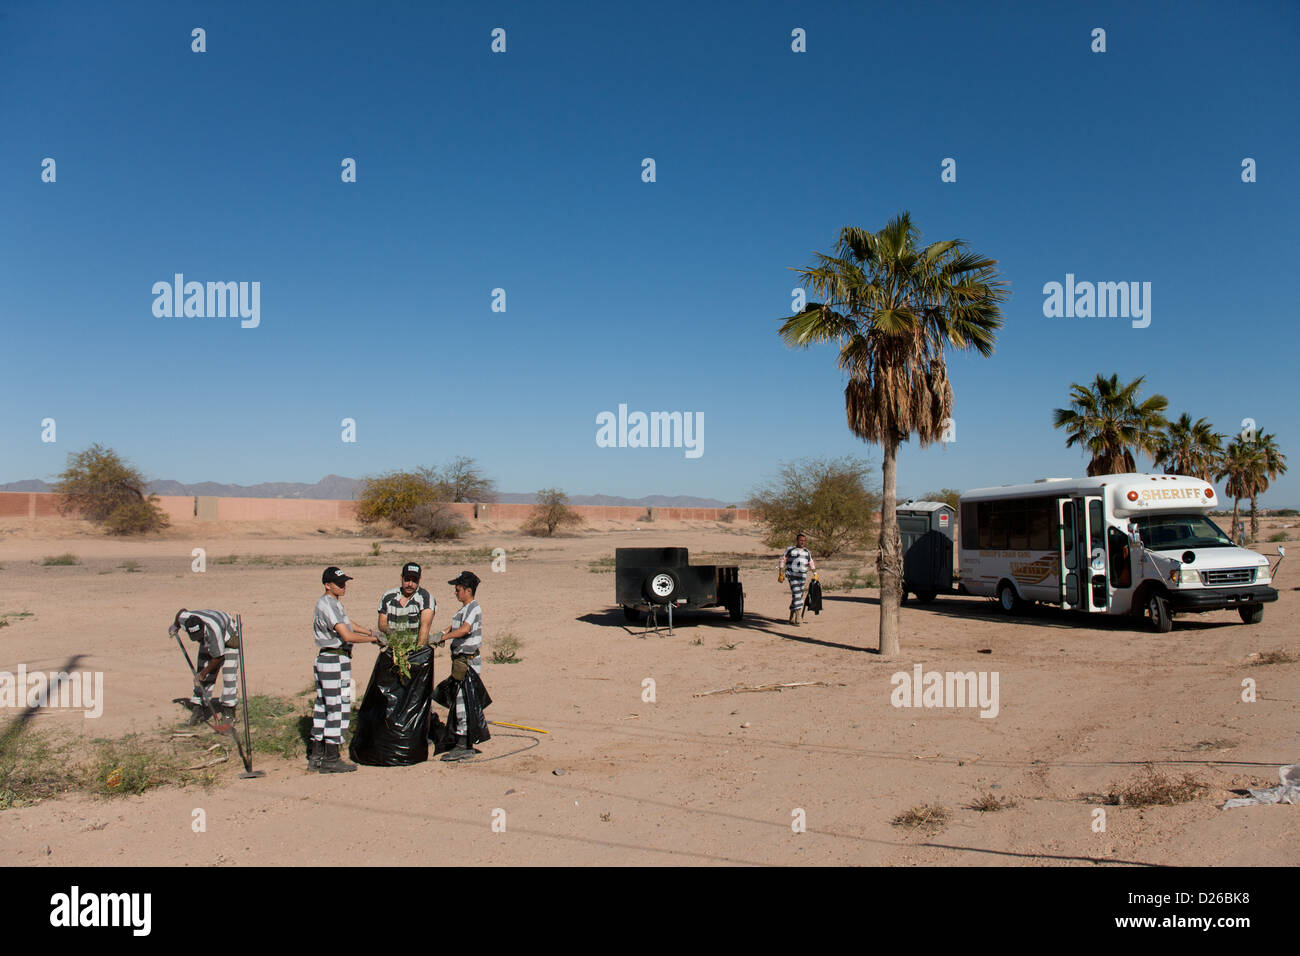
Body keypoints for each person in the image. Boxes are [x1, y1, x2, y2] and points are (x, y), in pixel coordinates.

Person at [311, 566, 383, 773]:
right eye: (338, 583)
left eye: (344, 582)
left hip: (329, 659)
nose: (343, 586)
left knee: (323, 707)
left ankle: (317, 755)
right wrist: (373, 639)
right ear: (327, 585)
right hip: (334, 660)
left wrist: (370, 631)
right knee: (338, 707)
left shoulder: (331, 604)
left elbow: (347, 623)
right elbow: (347, 635)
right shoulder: (327, 604)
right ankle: (331, 758)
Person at [434, 570, 483, 761]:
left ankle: (464, 745)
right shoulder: (463, 610)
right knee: (458, 699)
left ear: (468, 590)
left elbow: (464, 629)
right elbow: (454, 627)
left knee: (463, 701)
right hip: (459, 661)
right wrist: (440, 634)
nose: (455, 592)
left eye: (458, 589)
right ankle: (459, 739)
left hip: (467, 662)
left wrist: (445, 637)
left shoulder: (473, 608)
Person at [170, 608, 240, 724]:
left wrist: (203, 674)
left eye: (200, 635)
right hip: (210, 636)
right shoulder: (186, 619)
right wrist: (175, 626)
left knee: (229, 674)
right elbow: (180, 613)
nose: (199, 639)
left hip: (228, 635)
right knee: (202, 669)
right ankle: (199, 707)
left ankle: (229, 711)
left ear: (203, 627)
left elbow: (218, 657)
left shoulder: (214, 631)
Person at [377, 562, 435, 646]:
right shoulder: (388, 596)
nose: (410, 584)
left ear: (419, 580)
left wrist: (418, 651)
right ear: (401, 578)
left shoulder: (426, 599)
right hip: (392, 647)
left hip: (415, 648)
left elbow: (425, 627)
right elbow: (382, 624)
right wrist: (393, 633)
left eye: (414, 581)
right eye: (407, 579)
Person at [778, 533, 817, 626]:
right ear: (797, 540)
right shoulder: (790, 550)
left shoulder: (807, 552)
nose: (802, 542)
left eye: (804, 540)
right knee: (796, 594)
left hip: (802, 576)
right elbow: (783, 560)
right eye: (801, 540)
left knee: (798, 595)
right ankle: (798, 617)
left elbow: (810, 562)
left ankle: (791, 616)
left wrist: (815, 573)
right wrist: (781, 573)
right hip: (792, 575)